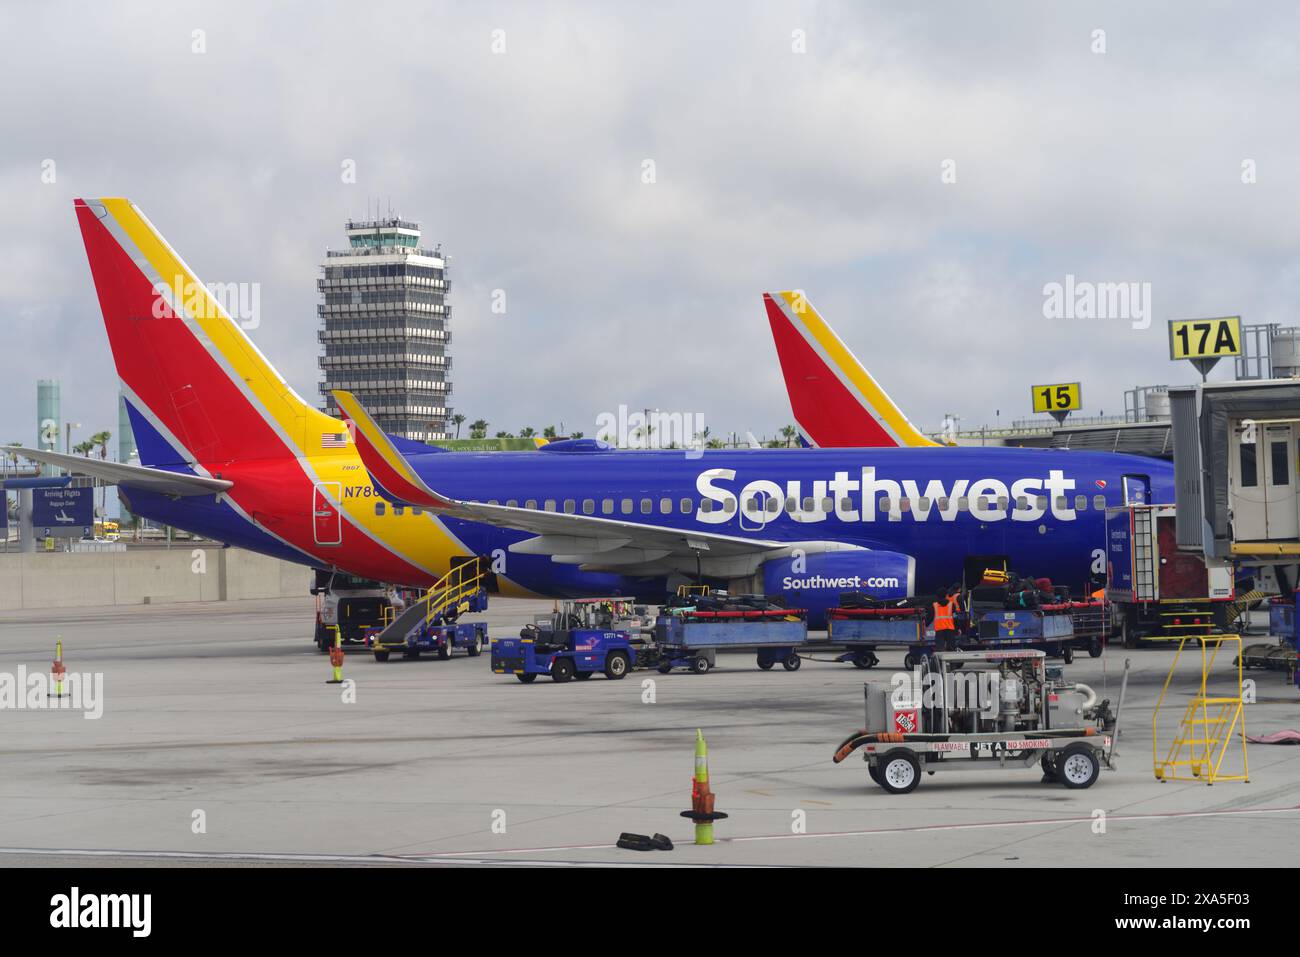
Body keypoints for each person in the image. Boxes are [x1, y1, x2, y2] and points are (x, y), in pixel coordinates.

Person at [932, 586, 961, 652]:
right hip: (950, 630)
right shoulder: (951, 605)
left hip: (939, 630)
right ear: (946, 595)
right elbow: (955, 617)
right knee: (951, 649)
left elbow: (929, 618)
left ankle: (941, 661)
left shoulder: (934, 605)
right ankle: (952, 662)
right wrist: (958, 628)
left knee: (940, 649)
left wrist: (925, 624)